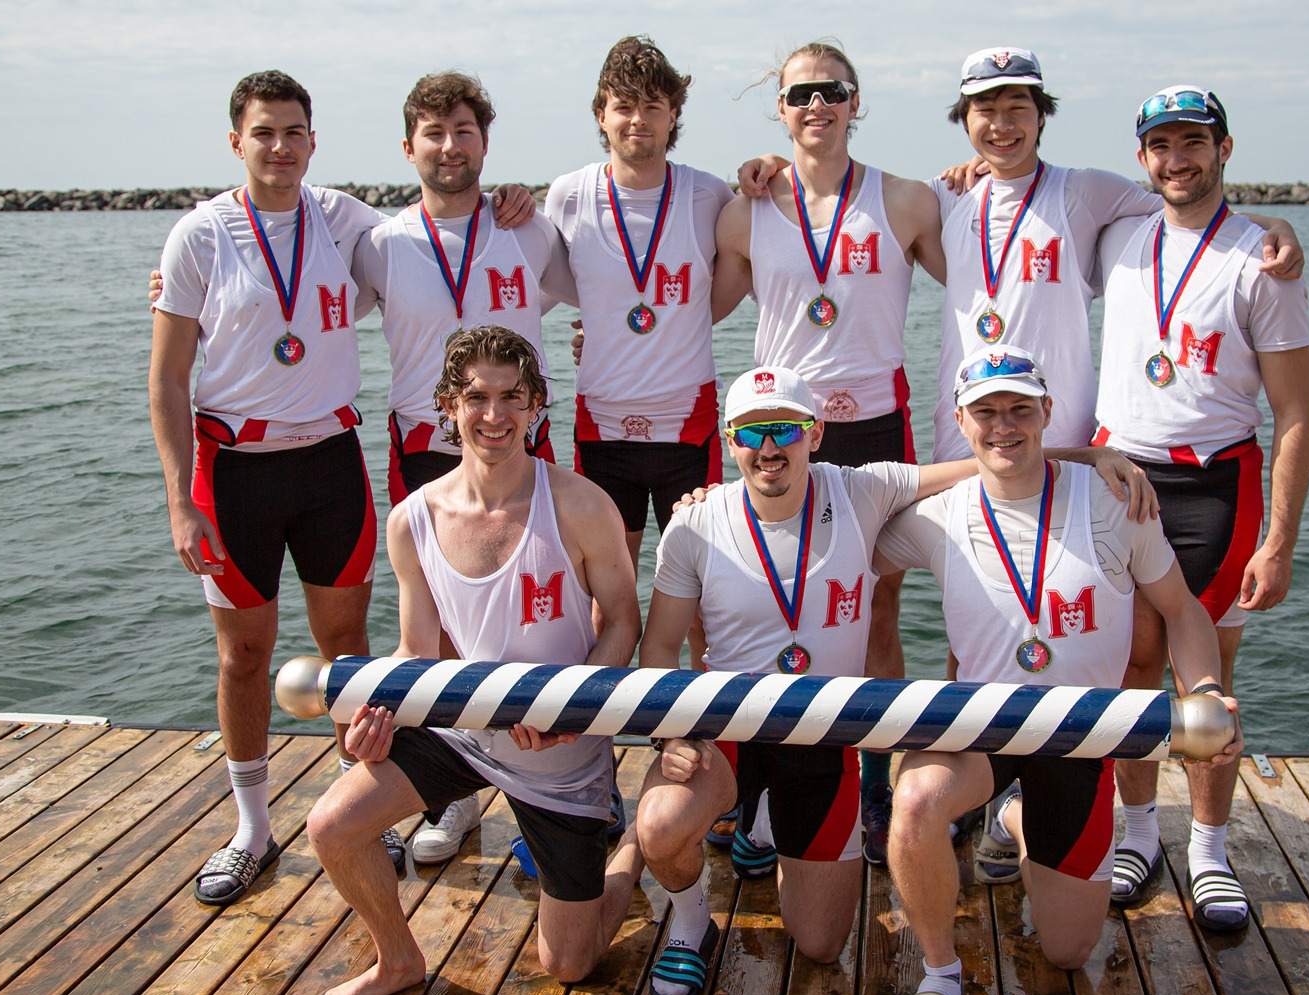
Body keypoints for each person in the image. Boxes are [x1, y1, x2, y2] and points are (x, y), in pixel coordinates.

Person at [635, 365, 1156, 995]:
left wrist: (1091, 455)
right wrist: (669, 731)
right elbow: (658, 648)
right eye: (750, 432)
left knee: (822, 944)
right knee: (658, 826)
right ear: (729, 439)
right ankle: (689, 920)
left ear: (816, 434)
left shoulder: (862, 490)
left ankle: (761, 821)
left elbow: (988, 463)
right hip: (730, 729)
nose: (769, 447)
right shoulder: (695, 521)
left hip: (824, 736)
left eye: (786, 429)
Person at [871, 350, 1239, 995]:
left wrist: (1203, 695)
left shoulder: (1115, 500)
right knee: (914, 800)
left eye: (1019, 411)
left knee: (1068, 953)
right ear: (960, 421)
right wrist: (716, 507)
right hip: (982, 731)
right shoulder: (938, 515)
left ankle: (1012, 819)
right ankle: (940, 975)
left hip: (1081, 738)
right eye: (985, 412)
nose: (1003, 427)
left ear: (1046, 413)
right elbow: (836, 532)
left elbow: (1183, 612)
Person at [304, 325, 644, 995]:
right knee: (331, 827)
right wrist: (376, 717)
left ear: (536, 407)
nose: (495, 415)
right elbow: (417, 654)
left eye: (512, 398)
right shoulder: (411, 521)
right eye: (477, 397)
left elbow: (622, 624)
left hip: (560, 745)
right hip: (464, 727)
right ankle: (397, 959)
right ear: (447, 406)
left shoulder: (581, 504)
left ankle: (634, 842)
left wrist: (570, 706)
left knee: (571, 965)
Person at [151, 70, 392, 906]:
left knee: (345, 654)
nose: (280, 146)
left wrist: (508, 205)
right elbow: (168, 378)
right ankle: (251, 827)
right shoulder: (200, 236)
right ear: (236, 142)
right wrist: (180, 498)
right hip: (235, 471)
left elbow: (435, 241)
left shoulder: (342, 217)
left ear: (312, 142)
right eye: (264, 132)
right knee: (243, 655)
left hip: (330, 461)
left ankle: (359, 806)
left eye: (294, 131)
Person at [711, 41, 948, 865]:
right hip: (775, 430)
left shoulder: (910, 202)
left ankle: (873, 784)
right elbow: (686, 311)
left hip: (874, 425)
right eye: (800, 93)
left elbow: (999, 285)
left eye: (832, 91)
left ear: (856, 102)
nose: (816, 104)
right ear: (780, 108)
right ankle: (747, 786)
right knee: (746, 606)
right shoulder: (745, 212)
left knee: (875, 613)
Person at [1094, 87, 1309, 933]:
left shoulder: (1262, 258)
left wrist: (1280, 542)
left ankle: (1211, 850)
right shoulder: (1118, 235)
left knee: (1207, 680)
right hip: (1118, 478)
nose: (1177, 160)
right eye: (1161, 145)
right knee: (1129, 668)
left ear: (1225, 148)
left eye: (1195, 142)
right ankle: (1139, 836)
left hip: (1216, 487)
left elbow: (1295, 413)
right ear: (1142, 156)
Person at [353, 71, 576, 865]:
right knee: (436, 625)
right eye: (434, 132)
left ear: (485, 142)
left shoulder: (531, 229)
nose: (450, 146)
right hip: (424, 445)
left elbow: (609, 297)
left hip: (518, 438)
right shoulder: (379, 244)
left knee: (539, 613)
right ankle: (452, 793)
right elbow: (302, 305)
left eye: (464, 131)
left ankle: (565, 783)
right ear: (408, 146)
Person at [918, 47, 1303, 464]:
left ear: (1042, 115)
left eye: (1018, 108)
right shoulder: (945, 196)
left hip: (1063, 442)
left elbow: (1188, 210)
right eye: (985, 111)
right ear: (964, 119)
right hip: (963, 439)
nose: (1002, 125)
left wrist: (1271, 225)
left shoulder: (1086, 192)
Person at [544, 36, 735, 571]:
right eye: (624, 106)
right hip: (602, 427)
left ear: (674, 114)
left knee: (704, 596)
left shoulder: (708, 196)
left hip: (687, 426)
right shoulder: (569, 195)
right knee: (608, 594)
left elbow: (713, 297)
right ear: (601, 114)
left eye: (653, 106)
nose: (638, 119)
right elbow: (544, 286)